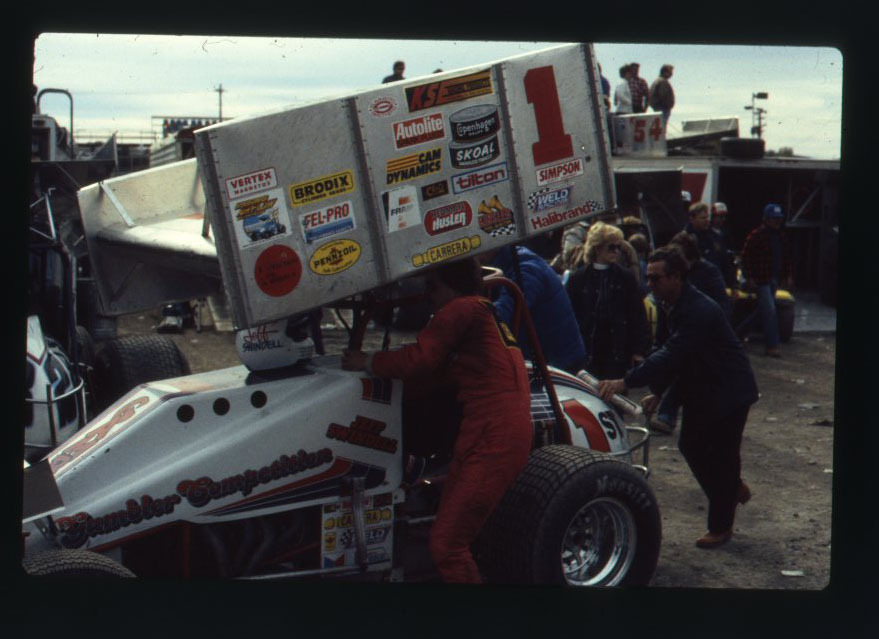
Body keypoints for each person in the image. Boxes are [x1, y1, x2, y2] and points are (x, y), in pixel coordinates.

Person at [341, 258, 532, 583]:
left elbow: (420, 359)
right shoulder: (481, 311)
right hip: (493, 432)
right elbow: (435, 372)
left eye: (432, 286)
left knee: (447, 544)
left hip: (493, 438)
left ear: (451, 285)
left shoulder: (461, 310)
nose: (428, 295)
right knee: (448, 530)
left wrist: (367, 361)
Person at [598, 246, 758, 549]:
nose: (650, 284)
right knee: (691, 445)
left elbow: (673, 354)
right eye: (648, 278)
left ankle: (721, 525)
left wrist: (625, 382)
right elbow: (665, 350)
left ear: (677, 277)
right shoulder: (668, 304)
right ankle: (730, 490)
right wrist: (658, 391)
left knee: (724, 457)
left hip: (730, 391)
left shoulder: (700, 310)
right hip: (703, 386)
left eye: (656, 278)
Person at [649, 232, 732, 435]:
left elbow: (720, 303)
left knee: (686, 367)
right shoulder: (668, 291)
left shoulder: (707, 273)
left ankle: (668, 415)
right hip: (681, 328)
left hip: (703, 332)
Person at [482, 244, 587, 374]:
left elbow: (502, 315)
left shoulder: (526, 269)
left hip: (557, 364)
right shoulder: (513, 259)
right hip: (549, 358)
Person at [565, 221, 649, 380]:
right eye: (611, 247)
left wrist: (638, 350)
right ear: (597, 247)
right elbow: (570, 317)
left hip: (617, 350)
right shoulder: (578, 279)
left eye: (618, 247)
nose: (616, 251)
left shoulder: (626, 278)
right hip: (588, 349)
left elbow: (637, 316)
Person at [736, 203, 793, 358]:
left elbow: (785, 258)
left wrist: (787, 275)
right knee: (770, 310)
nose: (777, 221)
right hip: (760, 280)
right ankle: (772, 346)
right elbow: (745, 258)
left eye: (779, 218)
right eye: (774, 218)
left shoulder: (781, 236)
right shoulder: (756, 235)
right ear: (766, 219)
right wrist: (749, 278)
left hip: (773, 279)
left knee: (763, 310)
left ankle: (738, 335)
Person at [710, 202, 737, 288]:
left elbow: (730, 259)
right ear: (713, 216)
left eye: (724, 216)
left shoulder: (727, 235)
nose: (723, 219)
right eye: (720, 216)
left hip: (722, 277)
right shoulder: (706, 234)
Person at [649, 64, 675, 129]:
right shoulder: (662, 81)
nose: (671, 74)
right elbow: (663, 95)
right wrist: (668, 105)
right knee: (662, 128)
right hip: (662, 108)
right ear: (665, 72)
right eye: (670, 72)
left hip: (658, 108)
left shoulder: (657, 81)